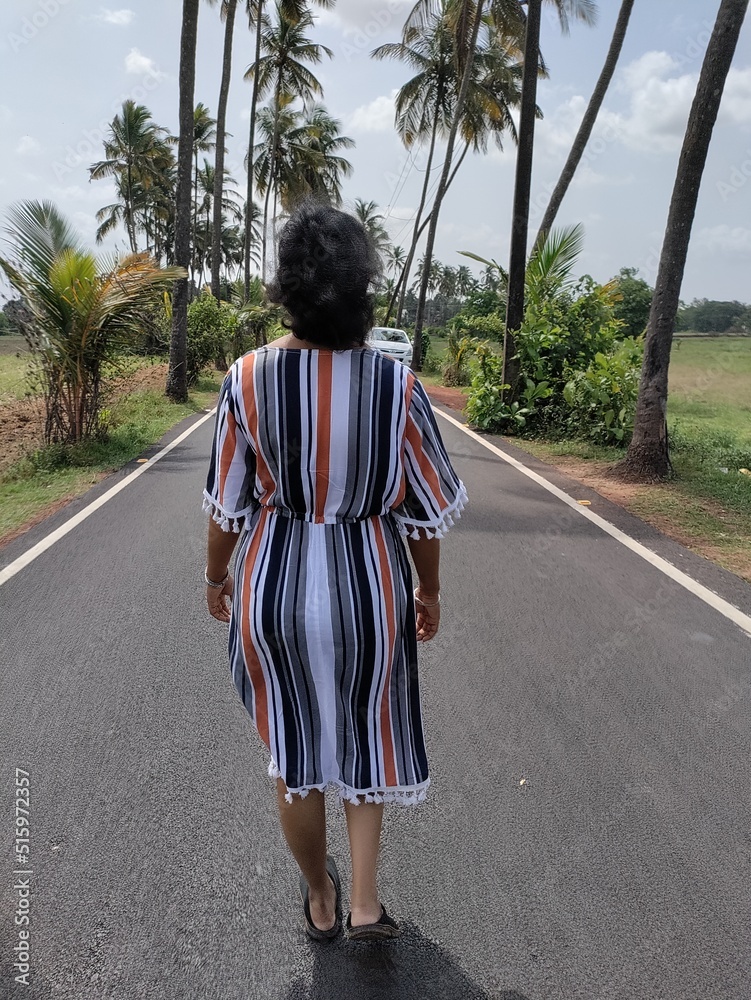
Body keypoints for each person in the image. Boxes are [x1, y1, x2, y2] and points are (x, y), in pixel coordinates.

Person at [202, 202, 467, 942]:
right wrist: (429, 590)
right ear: (361, 287)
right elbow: (421, 513)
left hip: (272, 589)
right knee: (365, 735)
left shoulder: (247, 377)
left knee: (295, 754)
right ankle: (366, 904)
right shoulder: (398, 388)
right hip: (369, 591)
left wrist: (214, 579)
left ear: (286, 286)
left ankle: (320, 896)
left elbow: (226, 509)